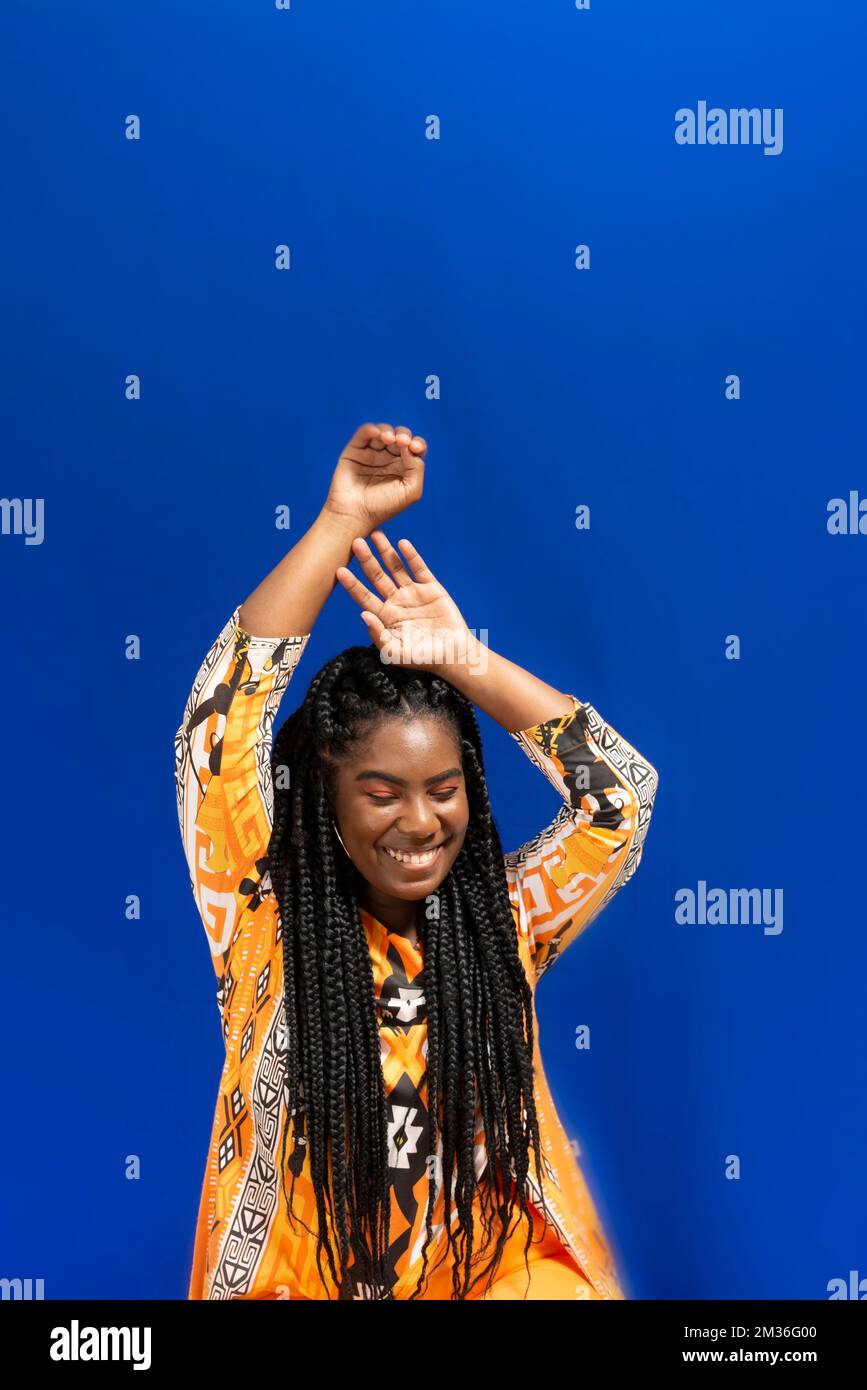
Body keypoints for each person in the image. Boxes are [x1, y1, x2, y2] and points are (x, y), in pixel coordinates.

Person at [174, 422, 659, 1300]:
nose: (420, 820)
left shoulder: (502, 924)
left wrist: (464, 660)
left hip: (486, 1278)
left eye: (442, 788)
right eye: (381, 792)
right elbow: (216, 740)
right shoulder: (263, 918)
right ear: (325, 801)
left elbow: (618, 802)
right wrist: (336, 525)